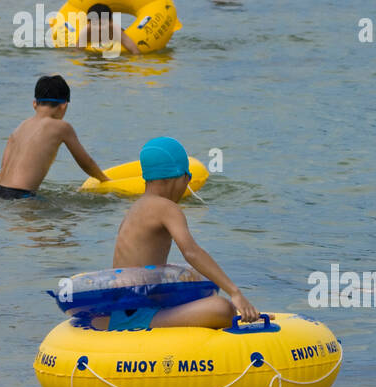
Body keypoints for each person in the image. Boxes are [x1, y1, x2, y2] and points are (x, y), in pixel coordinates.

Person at [97, 137, 258, 330]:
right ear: (179, 176)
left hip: (123, 308)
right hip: (137, 314)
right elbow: (191, 252)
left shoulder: (135, 209)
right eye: (187, 178)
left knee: (205, 299)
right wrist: (235, 292)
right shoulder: (166, 207)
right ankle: (140, 324)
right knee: (222, 308)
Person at [0, 75, 109, 199]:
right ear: (64, 105)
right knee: (74, 215)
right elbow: (86, 162)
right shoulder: (61, 127)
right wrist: (105, 180)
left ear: (34, 104)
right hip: (19, 195)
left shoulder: (20, 128)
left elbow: (4, 166)